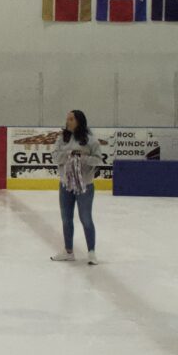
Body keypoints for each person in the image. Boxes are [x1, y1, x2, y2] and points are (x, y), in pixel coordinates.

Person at [50, 110, 101, 263]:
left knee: (85, 218)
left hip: (84, 185)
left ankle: (91, 252)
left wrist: (83, 158)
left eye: (71, 119)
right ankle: (68, 251)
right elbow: (54, 157)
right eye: (67, 119)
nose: (68, 122)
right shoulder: (61, 139)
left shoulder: (91, 141)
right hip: (65, 185)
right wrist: (68, 154)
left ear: (79, 121)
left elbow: (98, 160)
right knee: (66, 219)